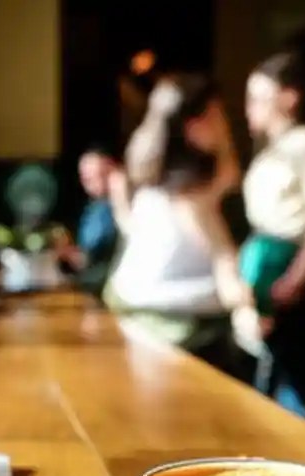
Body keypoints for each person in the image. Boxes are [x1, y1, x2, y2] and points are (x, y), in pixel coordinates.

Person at [105, 75, 253, 371]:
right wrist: (246, 304)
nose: (225, 125)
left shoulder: (153, 182)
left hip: (132, 303)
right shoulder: (191, 198)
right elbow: (223, 260)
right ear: (193, 127)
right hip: (175, 320)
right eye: (217, 116)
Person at [242, 52, 305, 416]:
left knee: (295, 377)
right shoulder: (271, 151)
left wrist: (296, 275)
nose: (251, 108)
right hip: (268, 266)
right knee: (271, 370)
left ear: (288, 97)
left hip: (294, 274)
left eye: (259, 98)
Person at [55, 149, 130, 297]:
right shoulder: (93, 208)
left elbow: (93, 258)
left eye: (93, 177)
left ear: (113, 171)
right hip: (89, 285)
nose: (87, 183)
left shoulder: (126, 206)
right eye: (84, 178)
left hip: (109, 289)